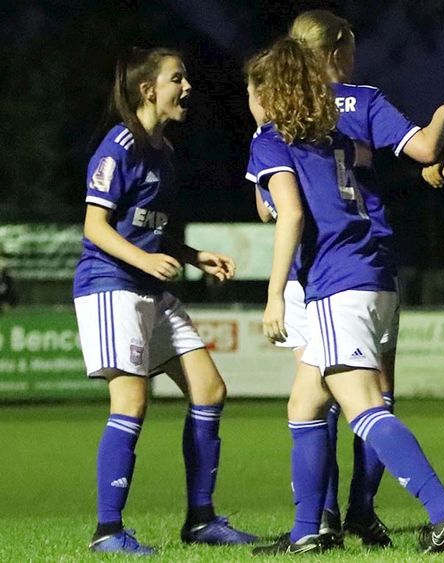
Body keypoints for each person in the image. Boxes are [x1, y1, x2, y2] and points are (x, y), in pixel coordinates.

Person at [250, 10, 444, 548]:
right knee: (305, 404)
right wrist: (443, 115)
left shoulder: (278, 134)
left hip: (333, 277)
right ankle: (310, 533)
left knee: (363, 406)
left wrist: (274, 293)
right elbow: (421, 148)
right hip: (375, 267)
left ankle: (443, 509)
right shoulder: (348, 109)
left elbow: (285, 214)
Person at [74, 47, 256, 554]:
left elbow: (154, 232)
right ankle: (108, 531)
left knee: (210, 389)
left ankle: (201, 519)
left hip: (151, 288)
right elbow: (95, 226)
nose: (187, 86)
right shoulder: (120, 146)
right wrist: (143, 259)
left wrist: (194, 255)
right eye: (178, 78)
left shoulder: (164, 151)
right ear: (148, 90)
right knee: (131, 400)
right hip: (111, 284)